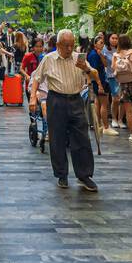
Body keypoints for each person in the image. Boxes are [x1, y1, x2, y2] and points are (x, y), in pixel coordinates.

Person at [29, 30, 99, 192]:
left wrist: (86, 69)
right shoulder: (49, 59)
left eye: (71, 45)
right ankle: (62, 174)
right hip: (56, 100)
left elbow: (94, 75)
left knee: (81, 138)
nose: (69, 49)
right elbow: (36, 79)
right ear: (58, 45)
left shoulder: (78, 58)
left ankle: (84, 175)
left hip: (75, 99)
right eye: (66, 46)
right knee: (57, 138)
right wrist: (33, 97)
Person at [86, 35, 115, 136]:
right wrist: (99, 84)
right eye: (100, 42)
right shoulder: (93, 55)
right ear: (95, 44)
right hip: (100, 81)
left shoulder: (98, 53)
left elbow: (106, 64)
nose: (103, 44)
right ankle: (106, 126)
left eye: (103, 42)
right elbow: (94, 71)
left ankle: (99, 124)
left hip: (100, 80)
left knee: (99, 102)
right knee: (104, 103)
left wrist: (101, 55)